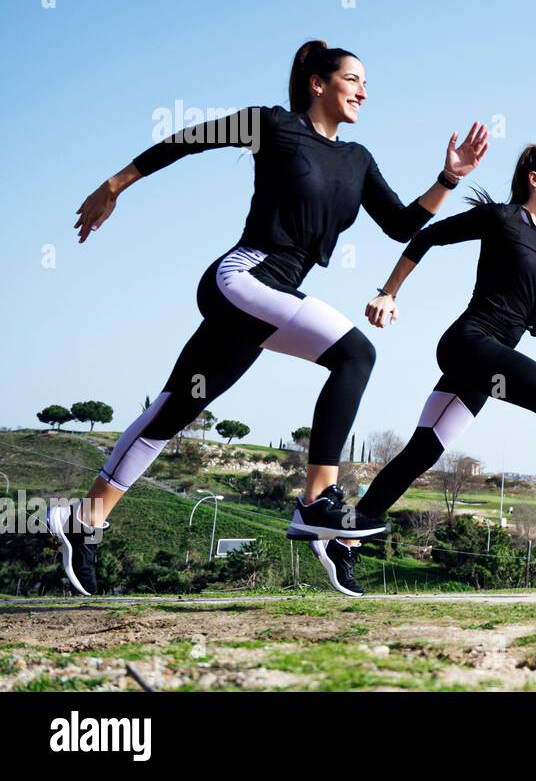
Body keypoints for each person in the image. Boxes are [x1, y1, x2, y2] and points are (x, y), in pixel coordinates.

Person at [47, 39, 488, 597]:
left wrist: (449, 178)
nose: (363, 91)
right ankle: (317, 504)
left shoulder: (357, 160)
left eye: (367, 84)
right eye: (353, 79)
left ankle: (84, 519)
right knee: (355, 353)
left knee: (174, 410)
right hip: (243, 279)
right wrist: (115, 185)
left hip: (269, 299)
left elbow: (401, 224)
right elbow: (187, 140)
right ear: (318, 83)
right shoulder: (272, 126)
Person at [359, 144, 536, 571]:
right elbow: (427, 235)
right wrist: (388, 291)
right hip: (468, 342)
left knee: (423, 450)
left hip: (487, 361)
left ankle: (346, 531)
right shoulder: (502, 218)